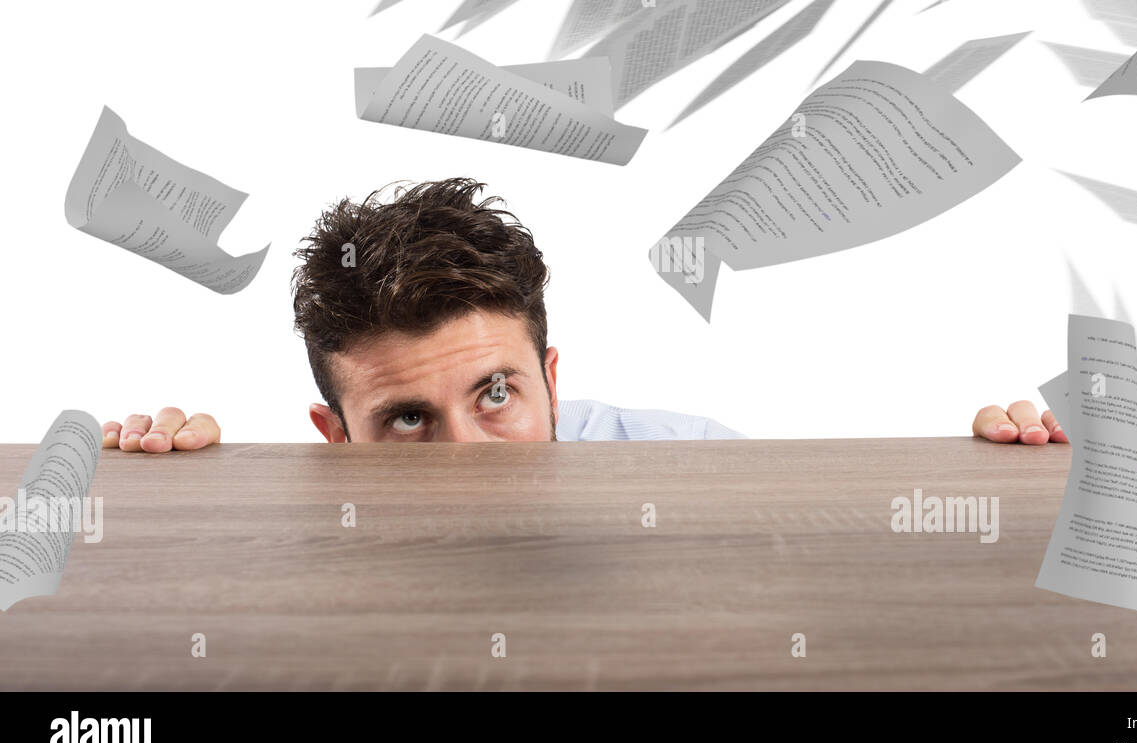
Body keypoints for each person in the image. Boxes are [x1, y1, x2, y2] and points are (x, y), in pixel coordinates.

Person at [100, 179, 1068, 449]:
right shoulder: (300, 530)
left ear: (552, 381)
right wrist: (162, 494)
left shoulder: (691, 465)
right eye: (405, 419)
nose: (468, 456)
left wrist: (1006, 475)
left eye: (495, 394)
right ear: (334, 434)